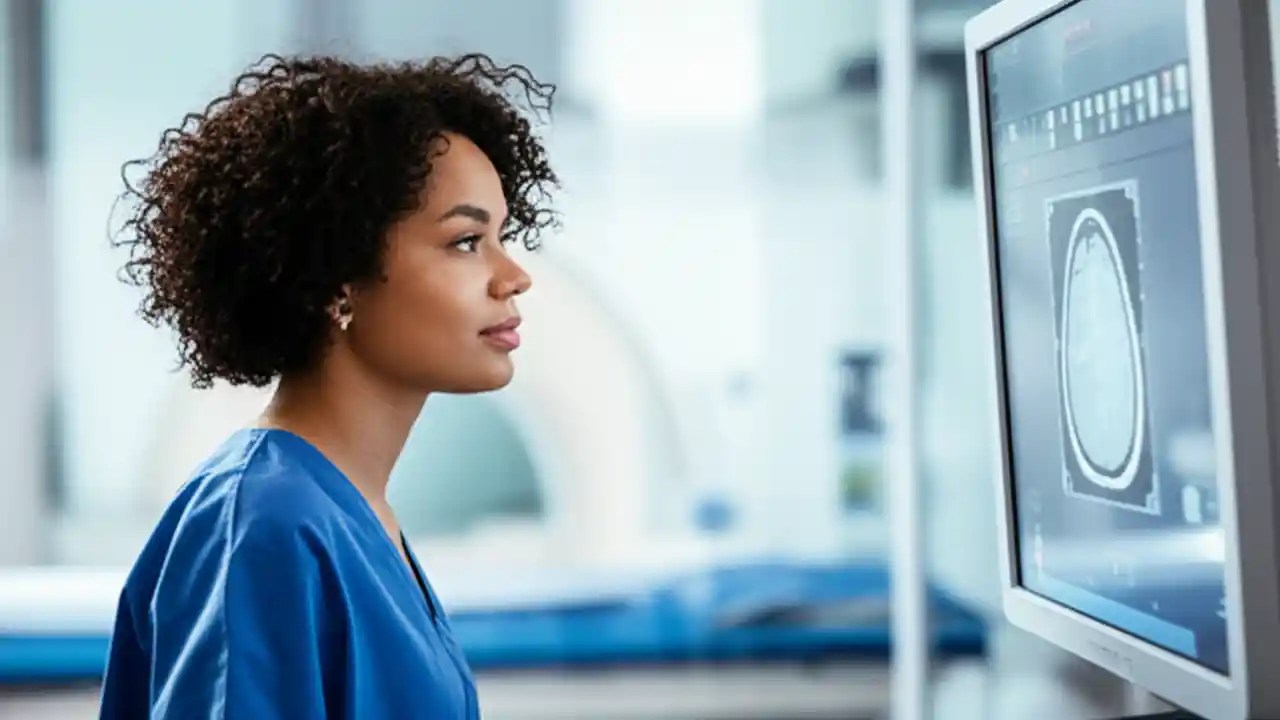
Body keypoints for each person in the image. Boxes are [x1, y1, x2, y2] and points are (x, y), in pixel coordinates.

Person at [98, 52, 558, 719]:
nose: (514, 275)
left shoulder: (348, 512)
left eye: (503, 236)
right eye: (466, 241)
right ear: (338, 275)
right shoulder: (264, 525)